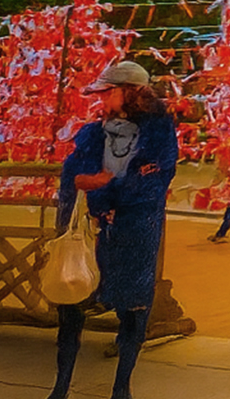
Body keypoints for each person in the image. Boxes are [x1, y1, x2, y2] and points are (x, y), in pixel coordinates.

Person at [50, 60, 178, 399]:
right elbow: (72, 175)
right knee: (72, 302)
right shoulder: (94, 133)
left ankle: (122, 386)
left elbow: (154, 181)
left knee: (134, 310)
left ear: (131, 92)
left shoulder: (159, 135)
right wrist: (91, 191)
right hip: (91, 232)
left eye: (108, 92)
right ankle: (60, 385)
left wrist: (108, 192)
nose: (102, 100)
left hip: (136, 231)